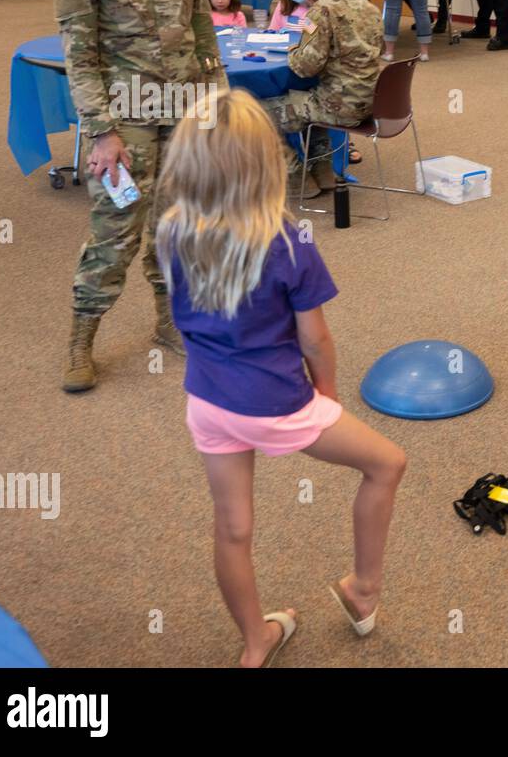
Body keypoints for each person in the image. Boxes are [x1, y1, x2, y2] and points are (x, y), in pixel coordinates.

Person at [156, 89, 407, 667]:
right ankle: (362, 588)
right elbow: (314, 338)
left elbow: (183, 311)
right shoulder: (288, 240)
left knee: (233, 527)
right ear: (265, 163)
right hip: (277, 403)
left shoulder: (172, 230)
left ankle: (254, 642)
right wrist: (329, 397)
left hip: (208, 402)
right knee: (387, 463)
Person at [54, 0, 225, 393]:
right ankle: (82, 339)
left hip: (181, 115)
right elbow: (79, 56)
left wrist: (215, 110)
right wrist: (100, 133)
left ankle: (168, 323)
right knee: (117, 228)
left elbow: (204, 39)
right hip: (123, 121)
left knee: (177, 227)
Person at [261, 0, 382, 198]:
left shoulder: (322, 10)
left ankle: (295, 174)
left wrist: (293, 50)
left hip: (339, 106)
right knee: (310, 97)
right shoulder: (368, 6)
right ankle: (323, 170)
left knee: (259, 111)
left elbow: (306, 67)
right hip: (372, 102)